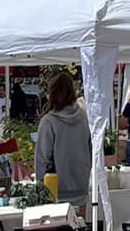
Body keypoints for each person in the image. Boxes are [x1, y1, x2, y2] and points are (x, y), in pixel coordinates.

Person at [35, 72, 92, 204]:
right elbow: (90, 149)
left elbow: (42, 159)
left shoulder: (48, 121)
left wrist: (40, 187)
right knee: (80, 218)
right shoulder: (84, 117)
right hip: (81, 185)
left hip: (55, 189)